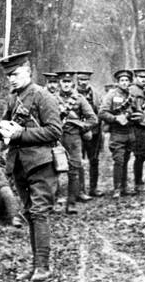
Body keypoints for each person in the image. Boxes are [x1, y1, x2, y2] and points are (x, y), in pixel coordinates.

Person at [0, 51, 62, 282]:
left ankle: (43, 267)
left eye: (16, 74)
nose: (11, 79)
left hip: (41, 163)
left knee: (39, 213)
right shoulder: (13, 99)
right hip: (19, 165)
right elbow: (8, 126)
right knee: (31, 214)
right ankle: (35, 266)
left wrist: (22, 134)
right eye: (8, 75)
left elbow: (54, 131)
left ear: (28, 72)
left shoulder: (43, 96)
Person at [55, 70, 98, 214]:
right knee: (51, 169)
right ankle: (53, 201)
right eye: (63, 82)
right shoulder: (51, 99)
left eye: (68, 82)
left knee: (74, 170)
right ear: (59, 83)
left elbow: (93, 119)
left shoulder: (79, 99)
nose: (66, 85)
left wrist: (80, 126)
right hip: (56, 139)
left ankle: (71, 203)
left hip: (74, 138)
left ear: (72, 83)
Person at [100, 68, 137, 199]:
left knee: (126, 160)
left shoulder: (131, 96)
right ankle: (117, 188)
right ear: (117, 82)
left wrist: (136, 116)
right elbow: (102, 112)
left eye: (127, 80)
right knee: (119, 161)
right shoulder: (111, 95)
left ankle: (125, 187)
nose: (124, 83)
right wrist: (115, 118)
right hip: (117, 133)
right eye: (122, 80)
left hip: (130, 132)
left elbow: (136, 110)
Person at [76, 69, 103, 198]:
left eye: (86, 80)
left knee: (94, 160)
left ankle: (93, 188)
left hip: (94, 131)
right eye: (81, 80)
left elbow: (100, 111)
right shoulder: (73, 94)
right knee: (78, 161)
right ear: (77, 81)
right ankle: (80, 190)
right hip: (78, 132)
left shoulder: (96, 94)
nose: (83, 83)